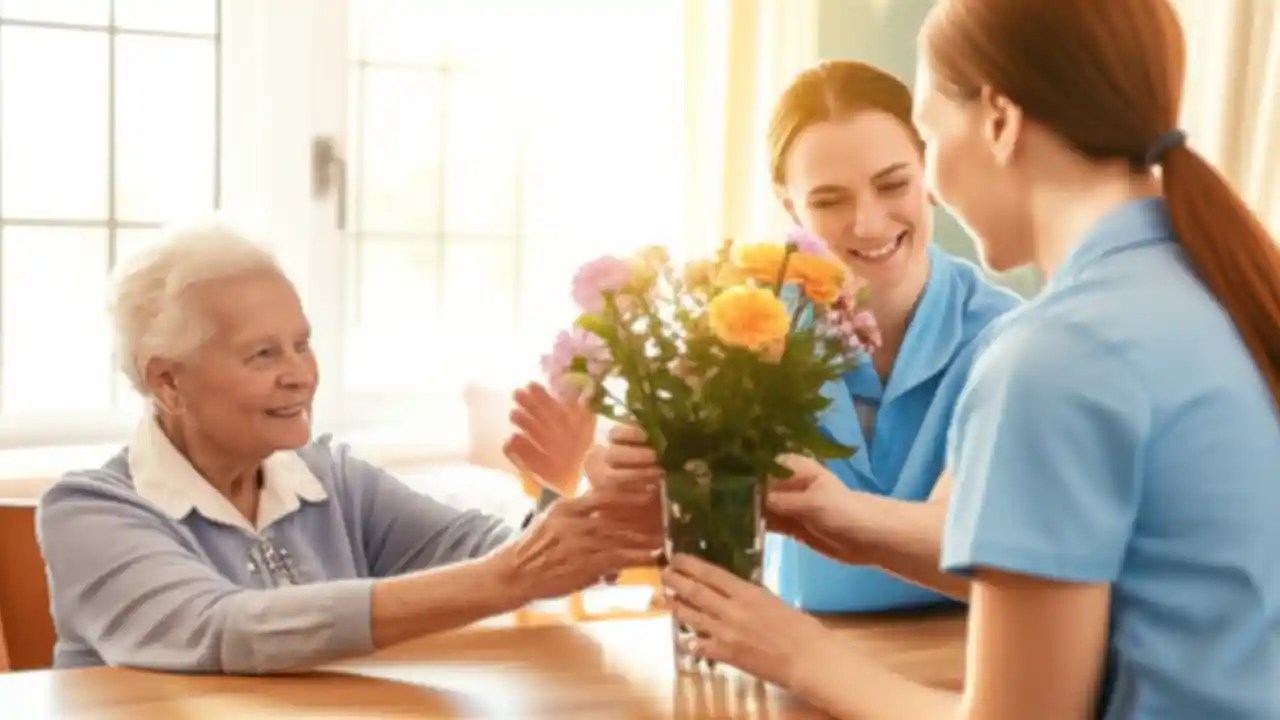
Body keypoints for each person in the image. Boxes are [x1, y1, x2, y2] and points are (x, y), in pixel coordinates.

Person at [664, 0, 1280, 717]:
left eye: (924, 137)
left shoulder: (1053, 358)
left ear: (998, 120)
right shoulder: (1218, 291)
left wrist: (797, 652)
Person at [507, 59, 1021, 612]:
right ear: (789, 206)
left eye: (893, 184)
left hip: (963, 664)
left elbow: (991, 550)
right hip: (786, 657)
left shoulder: (1008, 340)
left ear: (931, 177)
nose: (868, 223)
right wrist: (613, 488)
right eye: (829, 200)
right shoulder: (738, 333)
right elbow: (660, 544)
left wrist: (836, 510)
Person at [36, 223, 658, 675]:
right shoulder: (88, 511)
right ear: (166, 380)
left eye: (302, 344)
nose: (301, 373)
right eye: (263, 354)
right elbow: (226, 630)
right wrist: (512, 573)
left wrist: (591, 497)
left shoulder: (330, 478)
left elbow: (502, 557)